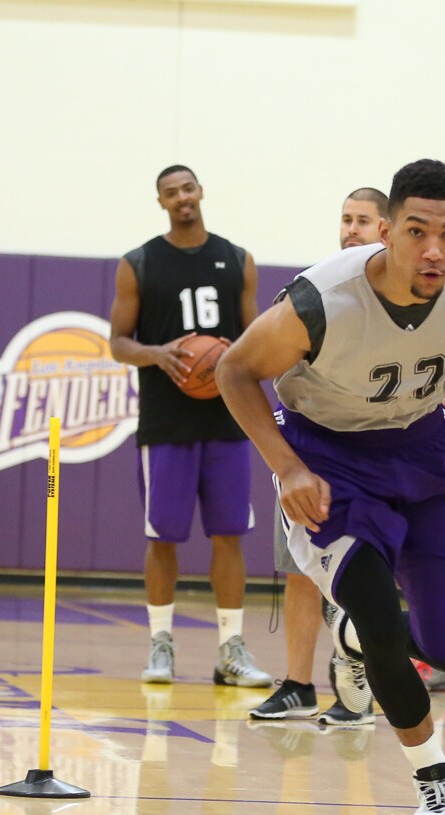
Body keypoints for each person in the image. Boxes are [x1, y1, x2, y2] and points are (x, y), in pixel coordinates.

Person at [216, 159, 445, 815]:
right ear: (385, 230)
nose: (434, 250)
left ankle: (353, 635)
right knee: (381, 616)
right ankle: (435, 778)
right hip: (332, 460)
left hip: (426, 450)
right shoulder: (323, 300)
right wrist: (286, 468)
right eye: (416, 231)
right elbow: (234, 369)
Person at [109, 165, 270, 688]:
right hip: (166, 423)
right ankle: (161, 644)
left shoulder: (236, 260)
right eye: (171, 192)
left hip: (227, 418)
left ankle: (231, 649)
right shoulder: (139, 264)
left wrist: (228, 357)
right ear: (160, 202)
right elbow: (118, 342)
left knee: (229, 536)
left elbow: (252, 336)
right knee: (163, 538)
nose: (182, 198)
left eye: (188, 189)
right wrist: (157, 354)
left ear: (201, 193)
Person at [252, 187, 388, 725]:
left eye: (363, 220)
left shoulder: (402, 299)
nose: (350, 229)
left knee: (364, 573)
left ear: (386, 230)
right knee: (300, 569)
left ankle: (357, 678)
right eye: (345, 219)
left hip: (370, 449)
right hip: (309, 444)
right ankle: (298, 686)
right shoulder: (314, 288)